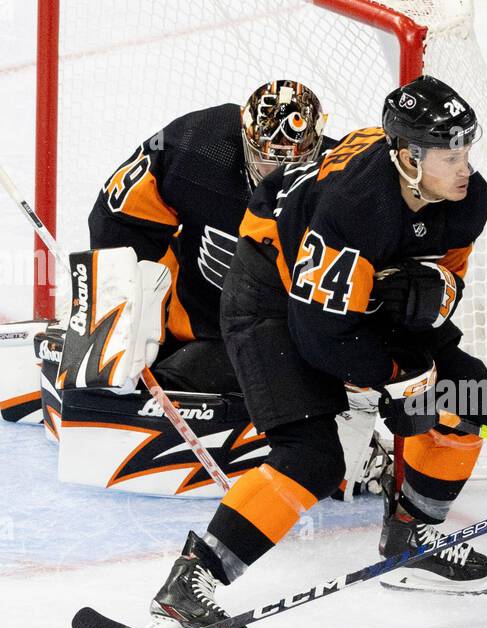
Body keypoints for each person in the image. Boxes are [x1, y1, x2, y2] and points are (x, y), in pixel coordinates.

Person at [146, 75, 487, 628]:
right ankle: (187, 586)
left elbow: (449, 279)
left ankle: (414, 536)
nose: (466, 167)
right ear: (410, 158)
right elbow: (321, 338)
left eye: (466, 149)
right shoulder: (355, 207)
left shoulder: (467, 198)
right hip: (270, 290)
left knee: (470, 394)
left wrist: (431, 291)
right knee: (310, 459)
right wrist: (398, 379)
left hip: (351, 295)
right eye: (450, 154)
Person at [88, 80, 330, 393]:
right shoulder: (195, 144)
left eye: (290, 161)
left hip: (268, 345)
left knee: (167, 385)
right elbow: (120, 215)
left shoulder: (338, 181)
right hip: (181, 323)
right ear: (244, 137)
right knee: (105, 378)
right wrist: (126, 306)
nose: (275, 173)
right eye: (264, 158)